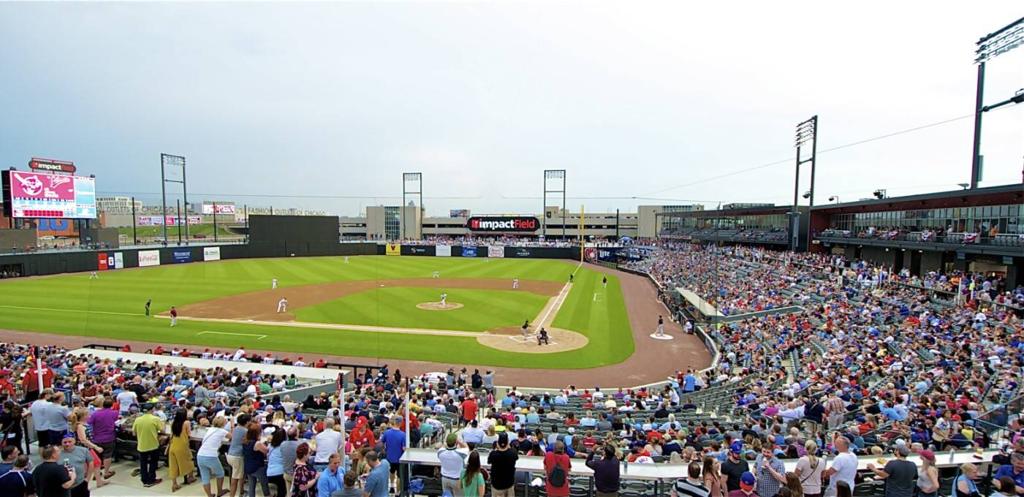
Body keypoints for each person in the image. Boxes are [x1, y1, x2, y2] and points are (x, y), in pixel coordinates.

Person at [196, 416, 231, 497]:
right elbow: (232, 436)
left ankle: (209, 495)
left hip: (200, 454)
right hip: (211, 456)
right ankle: (220, 491)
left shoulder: (210, 429)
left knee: (205, 476)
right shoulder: (222, 431)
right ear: (223, 423)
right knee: (220, 473)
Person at [132, 402, 164, 488]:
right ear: (152, 409)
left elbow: (134, 433)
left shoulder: (138, 419)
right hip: (153, 444)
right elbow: (162, 430)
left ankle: (144, 480)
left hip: (142, 445)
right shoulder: (155, 419)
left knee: (143, 463)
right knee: (153, 463)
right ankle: (151, 479)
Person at [88, 398, 118, 481]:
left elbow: (89, 422)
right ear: (112, 405)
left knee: (97, 457)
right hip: (109, 437)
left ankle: (96, 473)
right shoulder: (114, 413)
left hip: (96, 438)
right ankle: (106, 472)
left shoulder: (95, 414)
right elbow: (117, 420)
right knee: (107, 455)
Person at [169, 410, 198, 491]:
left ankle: (174, 484)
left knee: (173, 465)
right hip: (182, 445)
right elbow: (189, 434)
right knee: (188, 461)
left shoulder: (173, 423)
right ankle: (190, 477)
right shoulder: (186, 423)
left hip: (173, 445)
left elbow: (171, 434)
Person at [60, 431, 93, 497]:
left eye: (70, 442)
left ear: (74, 441)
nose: (67, 444)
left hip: (80, 483)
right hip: (65, 486)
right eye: (65, 442)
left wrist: (87, 479)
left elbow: (91, 462)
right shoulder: (58, 453)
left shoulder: (84, 451)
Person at [227, 413, 252, 497]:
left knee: (240, 475)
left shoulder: (236, 428)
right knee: (235, 479)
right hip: (237, 456)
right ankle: (232, 495)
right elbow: (247, 442)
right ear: (247, 422)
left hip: (230, 454)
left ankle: (241, 491)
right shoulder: (246, 431)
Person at [243, 422, 270, 497]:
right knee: (264, 484)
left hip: (248, 467)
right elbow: (266, 451)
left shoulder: (245, 441)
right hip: (257, 467)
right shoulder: (257, 443)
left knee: (251, 487)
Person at [488, 432, 518, 497]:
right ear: (507, 442)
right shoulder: (513, 453)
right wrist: (508, 446)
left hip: (497, 485)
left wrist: (497, 448)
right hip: (509, 485)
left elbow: (489, 461)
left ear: (498, 443)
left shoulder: (493, 454)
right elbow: (516, 456)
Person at [381, 417, 406, 492]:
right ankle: (397, 493)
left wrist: (384, 450)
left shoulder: (387, 432)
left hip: (389, 457)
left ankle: (391, 486)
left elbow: (382, 442)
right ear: (400, 423)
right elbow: (404, 448)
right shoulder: (403, 435)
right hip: (399, 459)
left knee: (391, 471)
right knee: (399, 476)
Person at [266, 428, 287, 497]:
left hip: (269, 473)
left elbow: (268, 457)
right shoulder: (284, 446)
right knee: (283, 492)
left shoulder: (270, 445)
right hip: (280, 474)